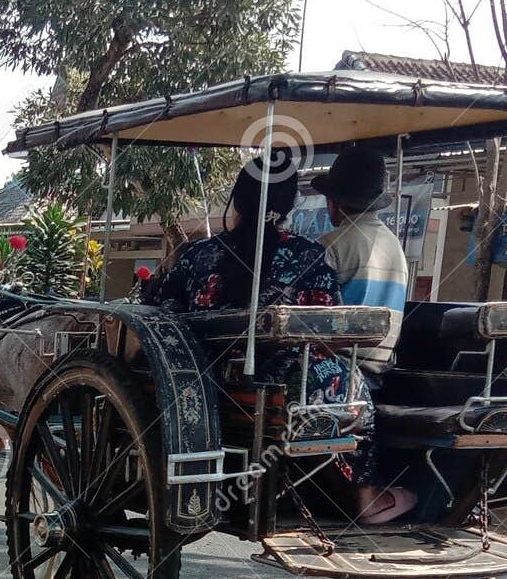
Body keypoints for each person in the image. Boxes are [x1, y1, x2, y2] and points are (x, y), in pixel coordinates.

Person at [144, 148, 409, 524]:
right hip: (289, 388)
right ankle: (363, 495)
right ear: (287, 207)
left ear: (237, 201)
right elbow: (328, 325)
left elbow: (159, 310)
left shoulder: (195, 255)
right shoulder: (309, 256)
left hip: (202, 385)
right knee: (348, 390)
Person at [314, 146, 415, 523]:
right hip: (380, 370)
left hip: (336, 375)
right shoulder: (395, 247)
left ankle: (358, 499)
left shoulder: (330, 247)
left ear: (334, 203)